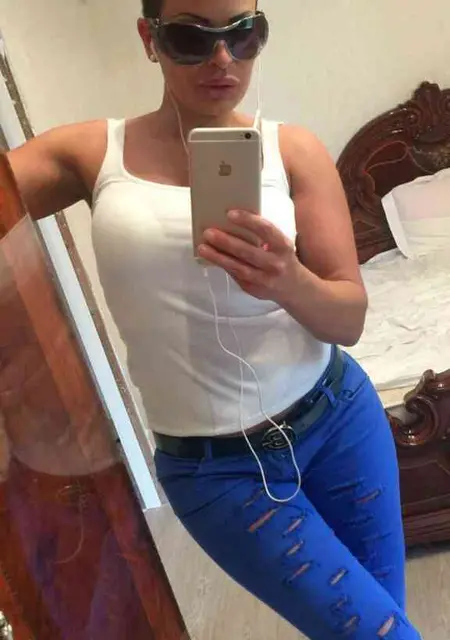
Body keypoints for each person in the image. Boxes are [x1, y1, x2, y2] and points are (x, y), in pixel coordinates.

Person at [7, 0, 421, 637]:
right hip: (218, 473)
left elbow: (348, 320)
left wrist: (287, 280)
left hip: (339, 421)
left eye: (244, 34)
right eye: (191, 38)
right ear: (149, 38)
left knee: (382, 623)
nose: (223, 58)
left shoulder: (294, 151)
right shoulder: (91, 153)